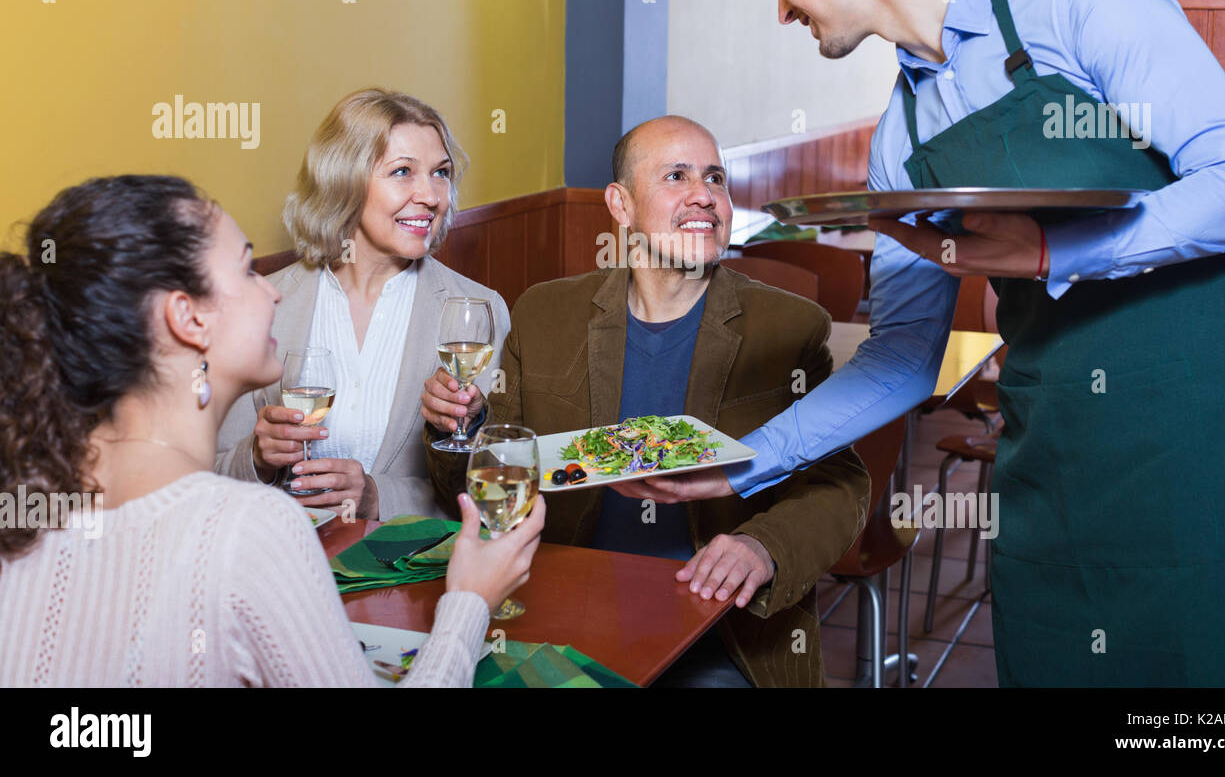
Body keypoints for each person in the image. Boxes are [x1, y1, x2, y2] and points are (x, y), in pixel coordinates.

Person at [618, 0, 1225, 686]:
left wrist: (1054, 249)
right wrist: (747, 457)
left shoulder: (1082, 2)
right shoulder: (899, 142)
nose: (782, 8)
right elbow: (905, 358)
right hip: (1052, 443)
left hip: (1203, 423)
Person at [0, 175, 543, 686]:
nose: (274, 291)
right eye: (245, 270)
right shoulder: (249, 529)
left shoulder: (30, 493)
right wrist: (471, 598)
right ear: (188, 318)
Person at [424, 116, 872, 687]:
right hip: (560, 615)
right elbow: (483, 484)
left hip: (718, 634)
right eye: (676, 176)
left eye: (715, 178)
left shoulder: (790, 327)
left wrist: (764, 548)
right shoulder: (544, 315)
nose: (704, 196)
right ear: (621, 204)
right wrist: (461, 424)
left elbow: (839, 482)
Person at [215, 89, 510, 520]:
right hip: (282, 563)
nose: (430, 195)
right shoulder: (264, 304)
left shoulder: (479, 312)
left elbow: (491, 487)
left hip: (415, 581)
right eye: (403, 171)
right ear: (344, 180)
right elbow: (206, 477)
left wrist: (377, 498)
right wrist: (258, 459)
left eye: (441, 172)